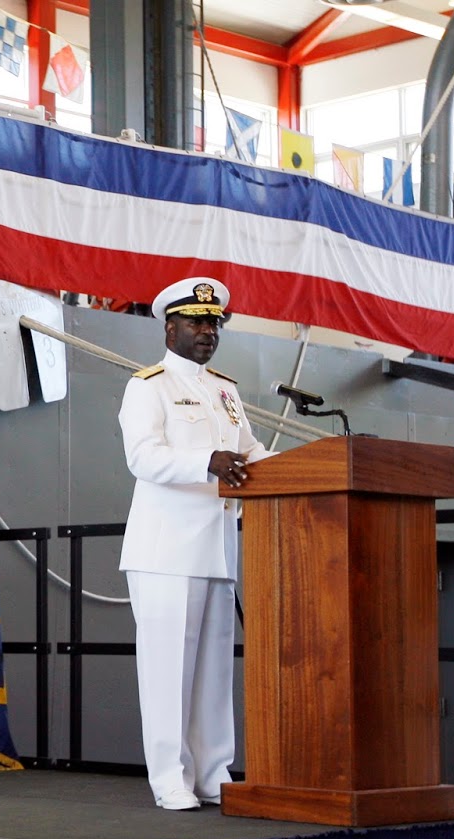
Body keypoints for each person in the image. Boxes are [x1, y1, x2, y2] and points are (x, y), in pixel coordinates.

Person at [119, 278, 274, 811]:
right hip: (165, 552)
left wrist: (314, 464)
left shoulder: (225, 391)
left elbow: (251, 453)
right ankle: (169, 778)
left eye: (213, 323)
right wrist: (205, 461)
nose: (208, 331)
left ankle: (212, 773)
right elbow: (142, 457)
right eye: (196, 322)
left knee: (213, 672)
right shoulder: (149, 386)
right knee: (168, 670)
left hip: (217, 549)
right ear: (171, 328)